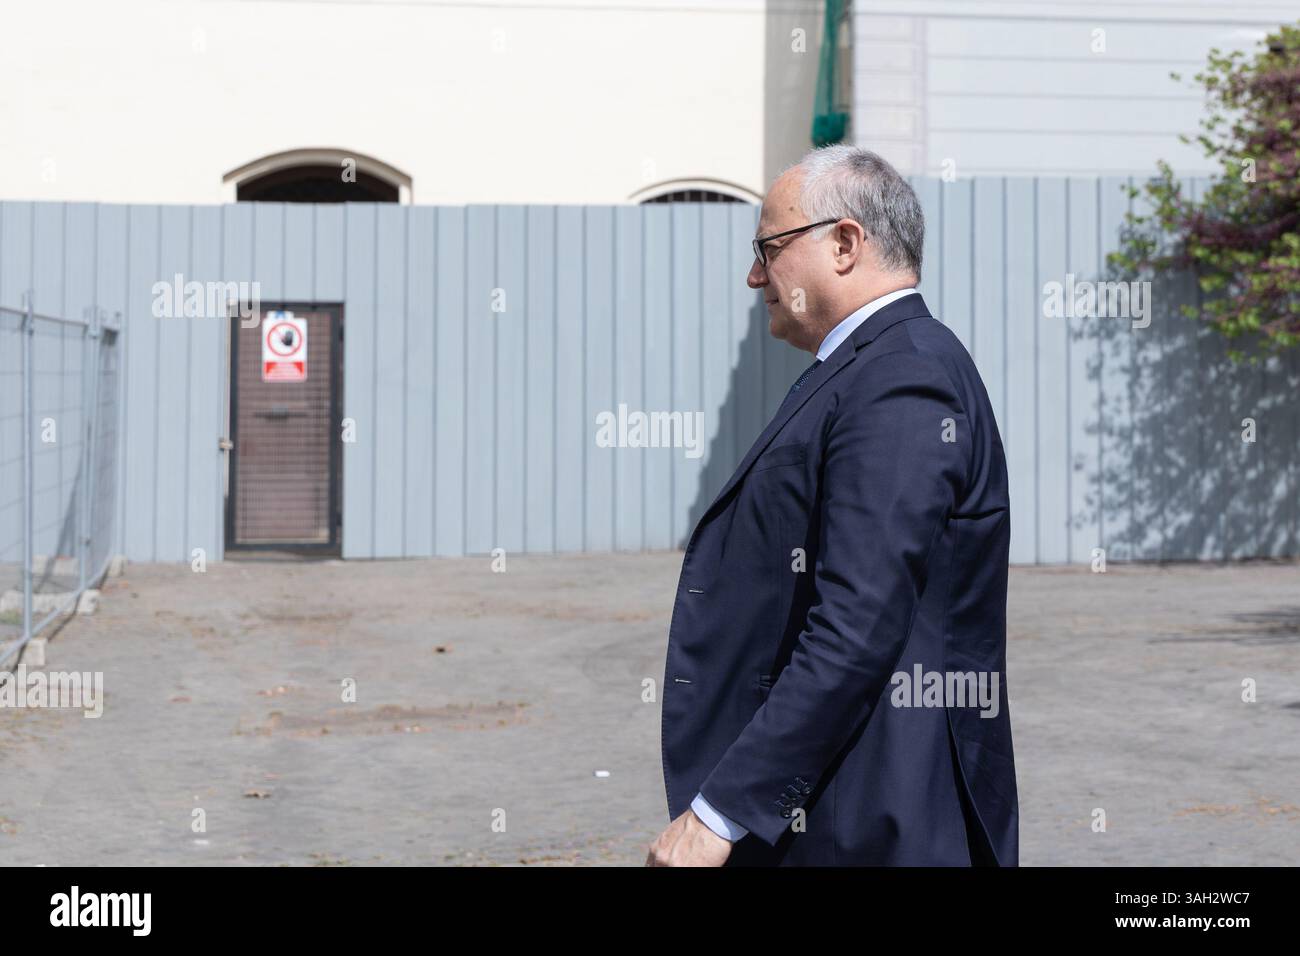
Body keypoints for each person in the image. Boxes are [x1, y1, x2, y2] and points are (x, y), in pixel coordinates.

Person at [648, 145, 1018, 866]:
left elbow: (858, 621)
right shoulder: (874, 364)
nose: (756, 274)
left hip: (876, 818)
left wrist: (722, 813)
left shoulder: (900, 376)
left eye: (769, 248)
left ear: (844, 244)